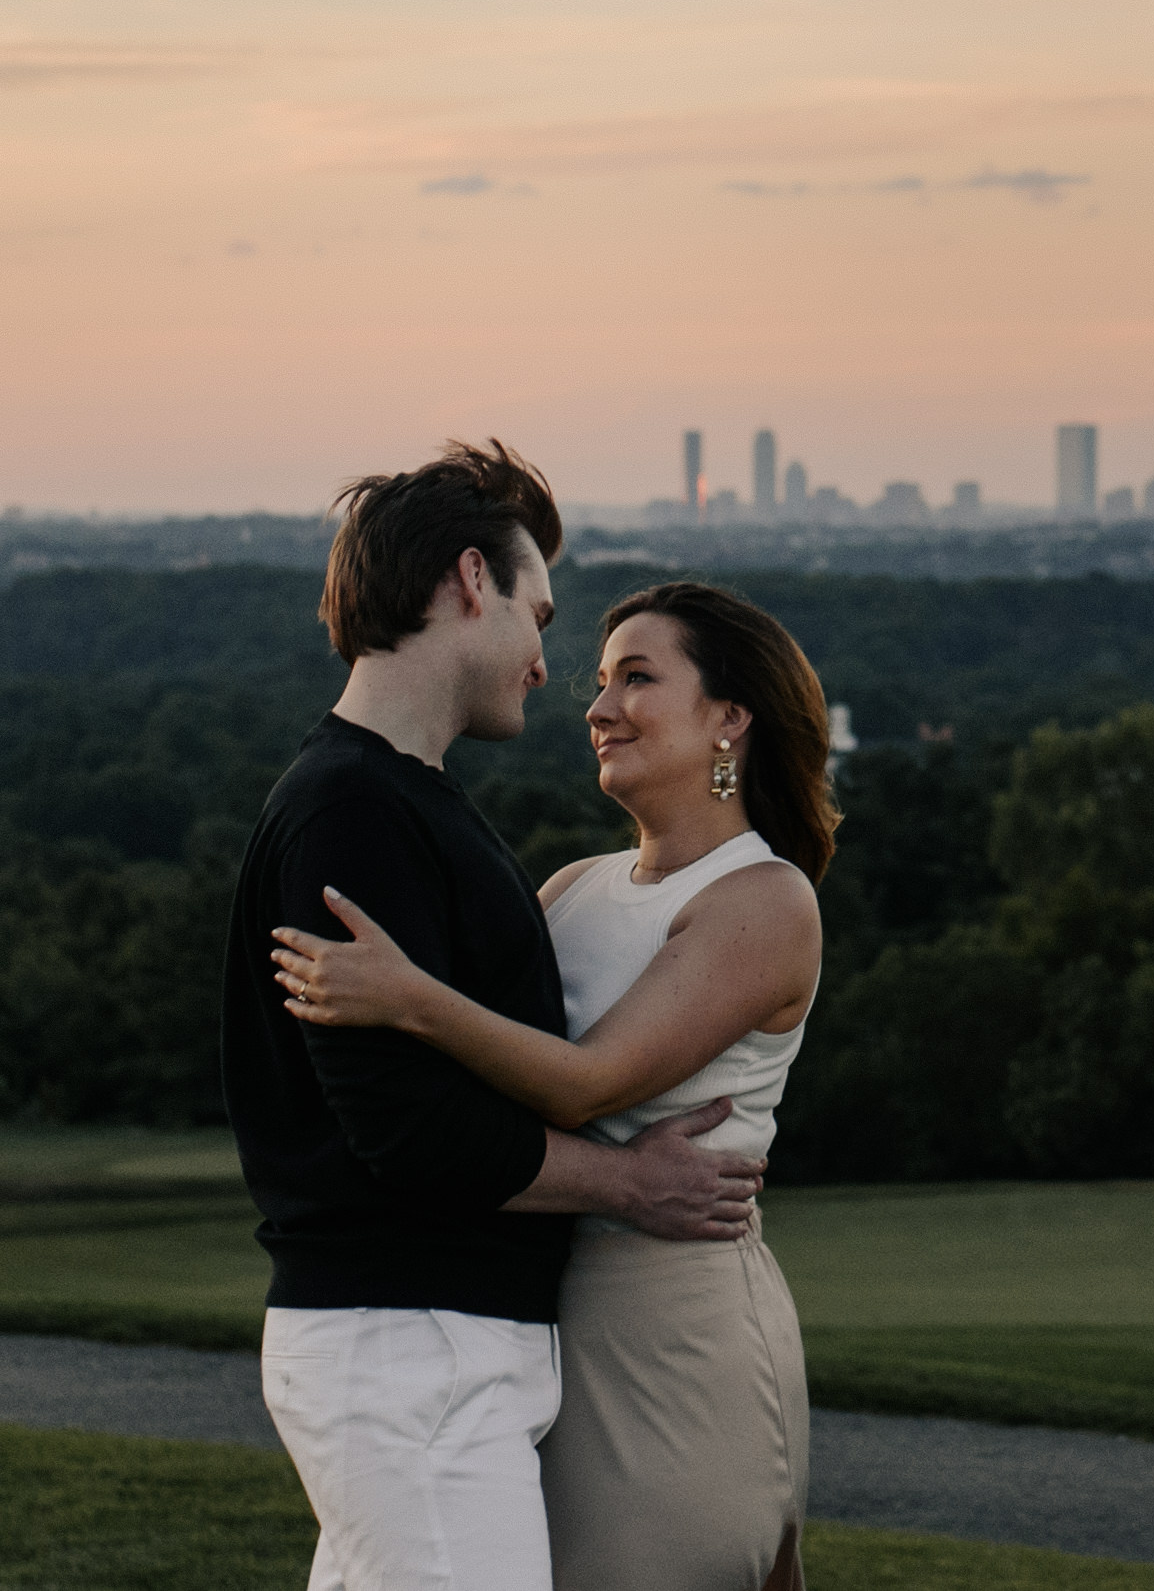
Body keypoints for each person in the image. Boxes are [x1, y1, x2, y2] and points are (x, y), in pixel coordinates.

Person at [223, 443, 766, 1591]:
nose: (543, 659)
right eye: (537, 609)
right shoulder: (352, 813)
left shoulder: (401, 802)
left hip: (432, 1342)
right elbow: (407, 1134)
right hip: (406, 1344)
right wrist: (627, 1183)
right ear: (473, 581)